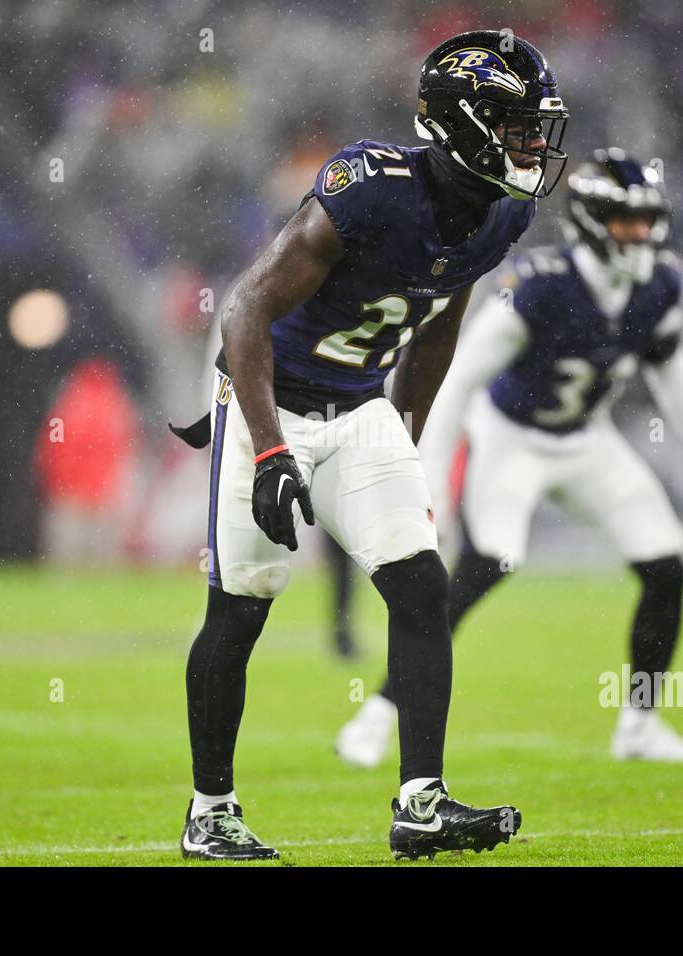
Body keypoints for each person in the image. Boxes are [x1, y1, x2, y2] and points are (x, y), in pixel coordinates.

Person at [169, 30, 568, 860]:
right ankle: (210, 812)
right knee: (240, 610)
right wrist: (272, 450)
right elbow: (245, 310)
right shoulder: (371, 187)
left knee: (422, 588)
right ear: (462, 124)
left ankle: (421, 802)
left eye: (537, 125)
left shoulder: (504, 210)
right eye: (516, 123)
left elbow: (437, 330)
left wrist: (404, 442)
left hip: (358, 407)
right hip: (268, 397)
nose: (534, 142)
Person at [336, 149, 683, 769]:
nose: (640, 234)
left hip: (587, 438)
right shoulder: (540, 285)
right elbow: (456, 384)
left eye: (646, 221)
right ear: (591, 220)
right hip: (511, 438)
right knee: (486, 567)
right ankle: (379, 712)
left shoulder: (660, 283)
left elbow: (671, 371)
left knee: (666, 565)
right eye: (625, 221)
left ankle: (639, 724)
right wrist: (428, 486)